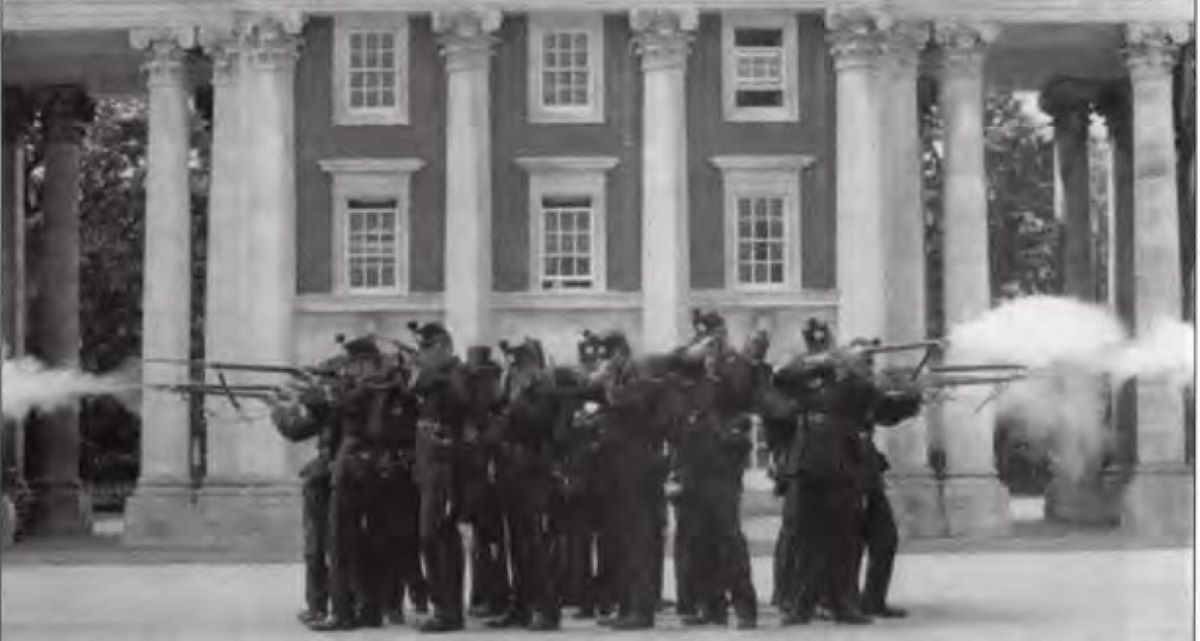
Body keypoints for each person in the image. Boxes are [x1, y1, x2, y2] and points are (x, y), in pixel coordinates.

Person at [669, 311, 758, 630]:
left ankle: (745, 608)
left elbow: (746, 392)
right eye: (703, 338)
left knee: (728, 538)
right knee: (696, 539)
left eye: (714, 337)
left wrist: (721, 362)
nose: (708, 344)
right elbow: (671, 367)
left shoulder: (734, 367)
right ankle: (709, 605)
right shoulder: (686, 370)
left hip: (721, 466)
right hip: (692, 464)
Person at [267, 351, 344, 628]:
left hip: (334, 479)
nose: (320, 384)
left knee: (327, 547)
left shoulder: (341, 403)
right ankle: (318, 605)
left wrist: (287, 402)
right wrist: (279, 408)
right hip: (324, 477)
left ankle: (334, 608)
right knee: (315, 548)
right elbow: (296, 429)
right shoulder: (328, 405)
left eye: (324, 379)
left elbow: (302, 422)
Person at [408, 321, 473, 633]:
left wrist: (428, 374)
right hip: (429, 464)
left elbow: (460, 400)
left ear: (444, 346)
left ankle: (449, 611)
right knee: (430, 538)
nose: (422, 355)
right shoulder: (434, 378)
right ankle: (442, 607)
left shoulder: (458, 373)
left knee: (439, 536)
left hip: (446, 467)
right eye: (421, 349)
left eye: (427, 348)